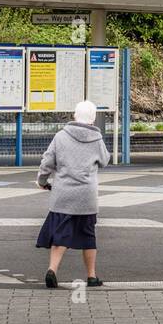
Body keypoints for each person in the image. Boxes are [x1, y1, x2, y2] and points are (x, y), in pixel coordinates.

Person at [36, 100, 111, 288]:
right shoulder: (97, 139)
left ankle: (52, 270)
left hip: (63, 195)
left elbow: (47, 162)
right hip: (87, 197)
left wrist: (42, 182)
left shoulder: (61, 136)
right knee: (88, 236)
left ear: (75, 116)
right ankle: (92, 276)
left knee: (60, 235)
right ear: (93, 120)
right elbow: (104, 161)